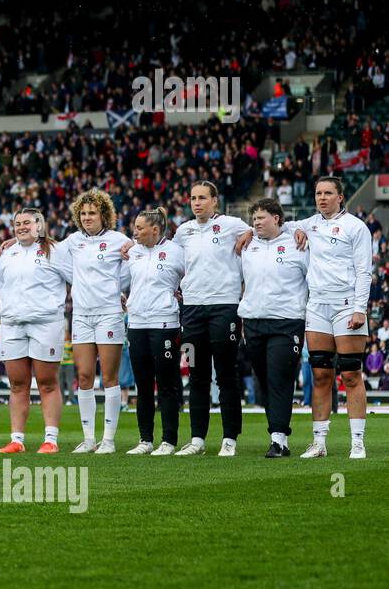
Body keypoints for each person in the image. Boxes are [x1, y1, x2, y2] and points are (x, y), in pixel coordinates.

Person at [162, 181, 255, 455]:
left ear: (215, 200)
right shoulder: (183, 232)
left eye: (203, 198)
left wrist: (248, 233)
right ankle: (198, 439)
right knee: (197, 375)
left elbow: (259, 231)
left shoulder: (231, 224)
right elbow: (173, 263)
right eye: (193, 198)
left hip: (224, 306)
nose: (197, 202)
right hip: (191, 310)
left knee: (226, 374)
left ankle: (229, 438)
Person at [296, 176, 374, 459]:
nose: (322, 197)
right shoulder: (309, 224)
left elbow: (364, 271)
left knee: (351, 373)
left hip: (346, 306)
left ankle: (357, 442)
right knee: (320, 374)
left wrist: (359, 308)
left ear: (341, 197)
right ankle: (319, 442)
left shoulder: (357, 227)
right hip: (317, 306)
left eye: (328, 193)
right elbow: (276, 225)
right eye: (318, 193)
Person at [0, 208, 73, 453]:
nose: (21, 227)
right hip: (13, 324)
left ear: (39, 225)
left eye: (27, 222)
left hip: (45, 323)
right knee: (17, 384)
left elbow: (76, 278)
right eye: (17, 223)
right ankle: (17, 440)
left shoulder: (56, 251)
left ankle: (51, 440)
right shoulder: (7, 253)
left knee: (47, 382)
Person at [238, 197, 309, 458]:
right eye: (253, 219)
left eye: (261, 218)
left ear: (277, 219)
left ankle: (279, 439)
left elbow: (311, 277)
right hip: (254, 321)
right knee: (265, 381)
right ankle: (276, 436)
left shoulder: (297, 243)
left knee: (279, 378)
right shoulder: (247, 245)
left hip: (287, 321)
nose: (256, 223)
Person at [62, 190, 131, 453]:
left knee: (109, 378)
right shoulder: (72, 241)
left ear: (104, 214)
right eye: (83, 213)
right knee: (84, 375)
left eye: (92, 213)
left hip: (109, 314)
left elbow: (129, 271)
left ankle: (109, 440)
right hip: (81, 315)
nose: (87, 217)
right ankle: (89, 438)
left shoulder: (118, 241)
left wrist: (119, 292)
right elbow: (47, 249)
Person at [122, 209, 186, 455]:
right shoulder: (133, 252)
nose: (134, 232)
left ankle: (169, 441)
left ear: (156, 230)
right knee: (143, 385)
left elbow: (191, 278)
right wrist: (122, 295)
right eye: (134, 227)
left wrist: (181, 294)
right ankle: (145, 440)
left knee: (167, 384)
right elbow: (125, 281)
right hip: (137, 323)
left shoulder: (176, 252)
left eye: (139, 228)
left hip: (165, 324)